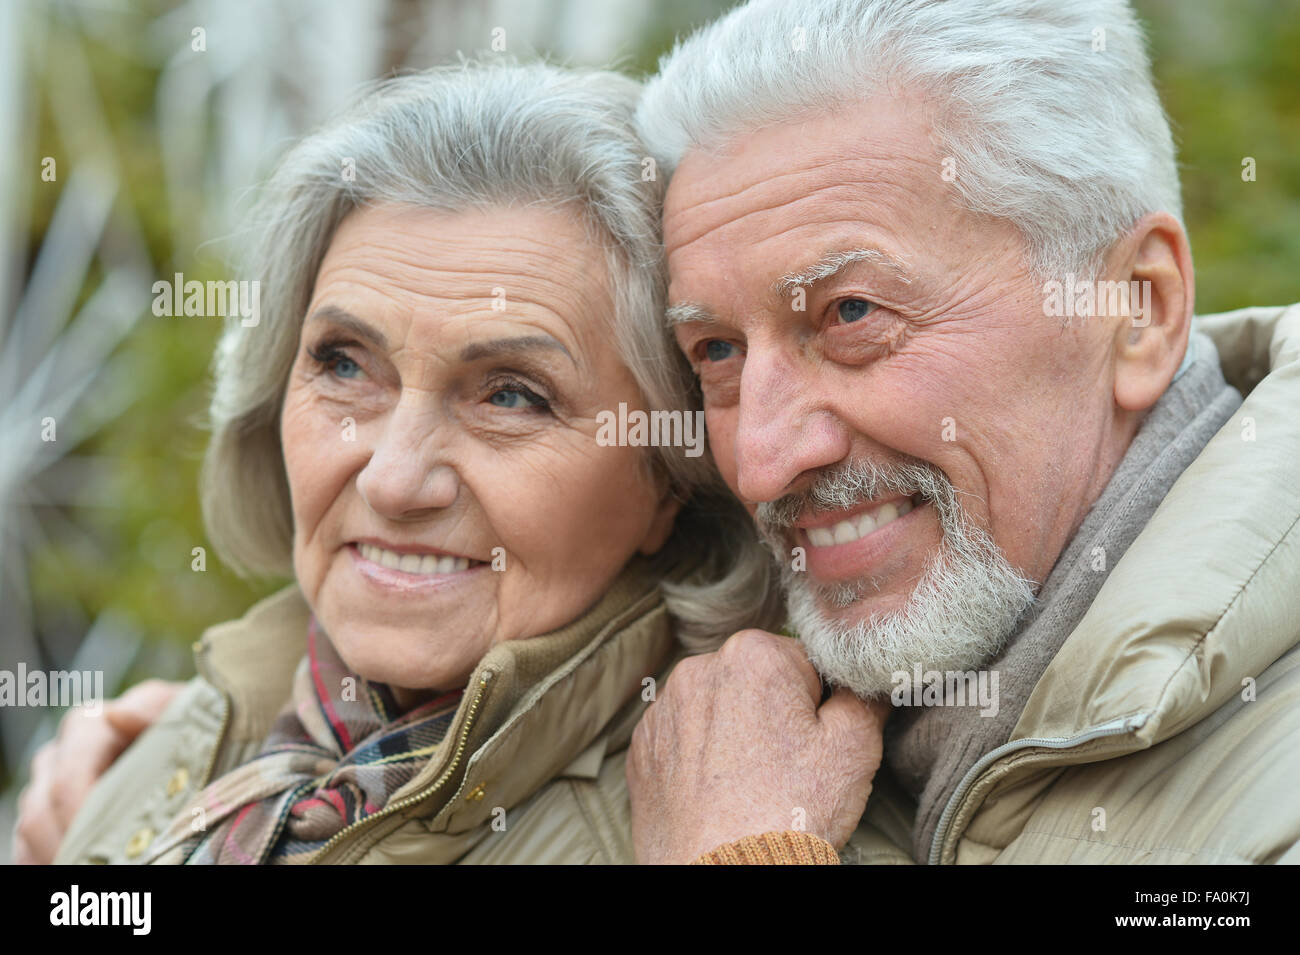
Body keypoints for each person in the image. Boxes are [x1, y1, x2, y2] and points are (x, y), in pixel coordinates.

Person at [19, 60, 792, 865]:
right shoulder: (167, 761)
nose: (392, 479)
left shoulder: (762, 836)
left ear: (672, 479)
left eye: (512, 396)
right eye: (345, 365)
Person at [625, 0, 1300, 864]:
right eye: (716, 350)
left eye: (852, 313)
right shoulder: (732, 750)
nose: (761, 461)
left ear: (1138, 308)